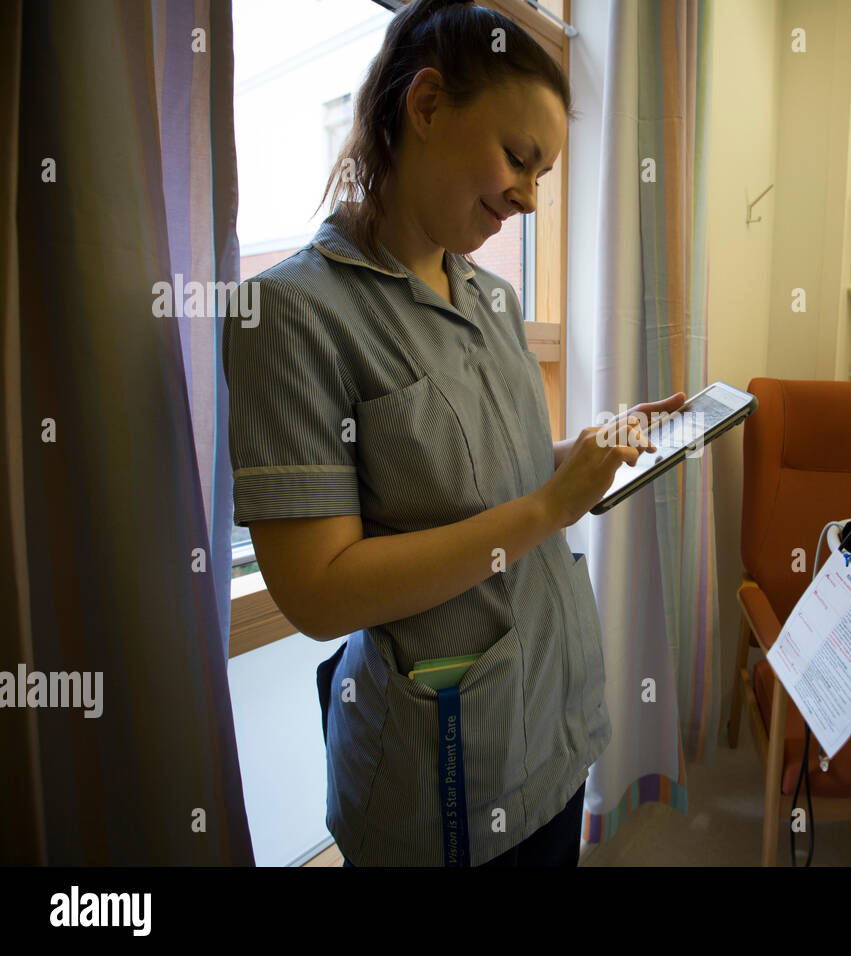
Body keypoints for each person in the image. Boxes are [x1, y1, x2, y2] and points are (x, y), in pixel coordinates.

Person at [223, 0, 684, 867]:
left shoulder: (492, 299)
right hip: (447, 762)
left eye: (543, 172)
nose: (530, 196)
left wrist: (584, 461)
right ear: (426, 105)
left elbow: (498, 483)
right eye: (519, 159)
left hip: (556, 707)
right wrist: (552, 504)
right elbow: (321, 595)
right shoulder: (292, 311)